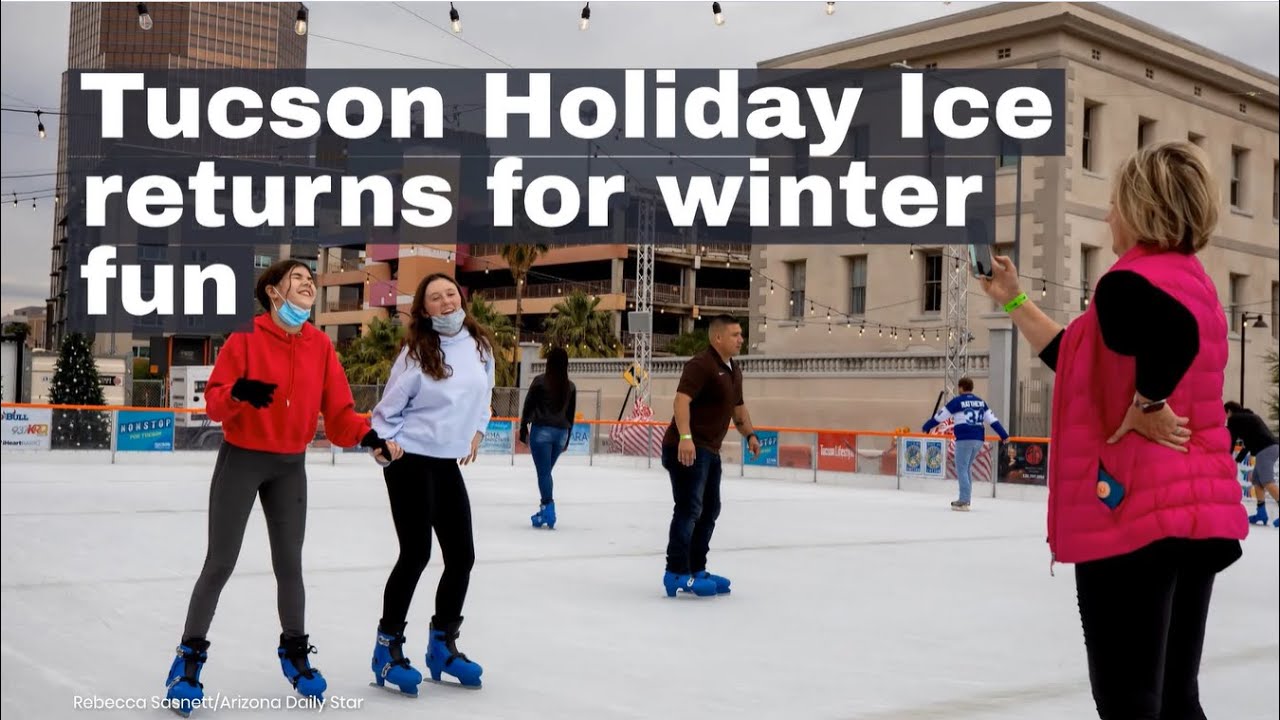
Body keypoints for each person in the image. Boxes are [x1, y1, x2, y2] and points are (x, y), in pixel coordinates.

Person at [978, 140, 1247, 720]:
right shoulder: (1193, 282)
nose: (1109, 218)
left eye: (1116, 206)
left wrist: (1148, 403)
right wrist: (1013, 299)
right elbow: (1076, 357)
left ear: (1142, 209)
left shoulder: (1128, 284)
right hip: (1193, 514)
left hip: (1132, 513)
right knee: (1176, 698)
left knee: (1129, 703)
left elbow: (1171, 337)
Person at [162, 260, 393, 715]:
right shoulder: (244, 337)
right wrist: (238, 394)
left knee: (290, 565)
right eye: (298, 280)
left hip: (292, 465)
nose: (308, 285)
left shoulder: (320, 345)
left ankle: (295, 652)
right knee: (220, 562)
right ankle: (188, 660)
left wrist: (367, 437)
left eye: (311, 280)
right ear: (273, 292)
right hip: (243, 459)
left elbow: (341, 412)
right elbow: (213, 402)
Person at [368, 273, 496, 694]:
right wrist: (385, 443)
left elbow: (485, 393)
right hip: (410, 460)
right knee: (416, 554)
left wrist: (478, 429)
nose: (445, 302)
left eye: (450, 294)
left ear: (461, 299)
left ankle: (443, 645)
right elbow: (387, 410)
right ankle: (387, 649)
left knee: (462, 556)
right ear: (424, 310)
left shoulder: (480, 346)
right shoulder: (415, 352)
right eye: (435, 298)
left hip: (446, 463)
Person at [660, 315, 760, 598]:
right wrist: (686, 437)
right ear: (718, 338)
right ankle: (675, 572)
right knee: (689, 509)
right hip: (687, 448)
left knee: (709, 510)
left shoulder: (733, 370)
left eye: (741, 334)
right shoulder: (701, 365)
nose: (741, 339)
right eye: (736, 334)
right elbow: (681, 400)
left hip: (709, 450)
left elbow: (739, 410)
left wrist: (750, 435)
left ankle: (696, 568)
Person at [922, 377, 1010, 511]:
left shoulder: (957, 402)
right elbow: (993, 421)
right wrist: (1004, 435)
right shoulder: (981, 403)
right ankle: (966, 498)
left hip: (964, 438)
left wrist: (927, 426)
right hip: (979, 439)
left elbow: (940, 417)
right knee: (966, 467)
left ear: (961, 388)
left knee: (961, 468)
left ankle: (963, 500)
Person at [520, 346, 576, 529]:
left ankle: (548, 508)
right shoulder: (570, 387)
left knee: (543, 473)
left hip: (542, 432)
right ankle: (544, 509)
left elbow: (528, 405)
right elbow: (570, 415)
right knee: (545, 473)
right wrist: (567, 439)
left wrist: (523, 428)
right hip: (561, 434)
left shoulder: (540, 382)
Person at [1224, 401, 1279, 527]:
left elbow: (1231, 440)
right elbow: (1248, 445)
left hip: (1265, 449)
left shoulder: (1234, 419)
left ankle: (1262, 513)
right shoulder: (1248, 418)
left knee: (1267, 482)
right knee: (1257, 480)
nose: (1226, 419)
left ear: (1229, 412)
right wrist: (1236, 460)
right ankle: (1261, 513)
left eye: (1225, 414)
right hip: (1270, 447)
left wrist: (1226, 458)